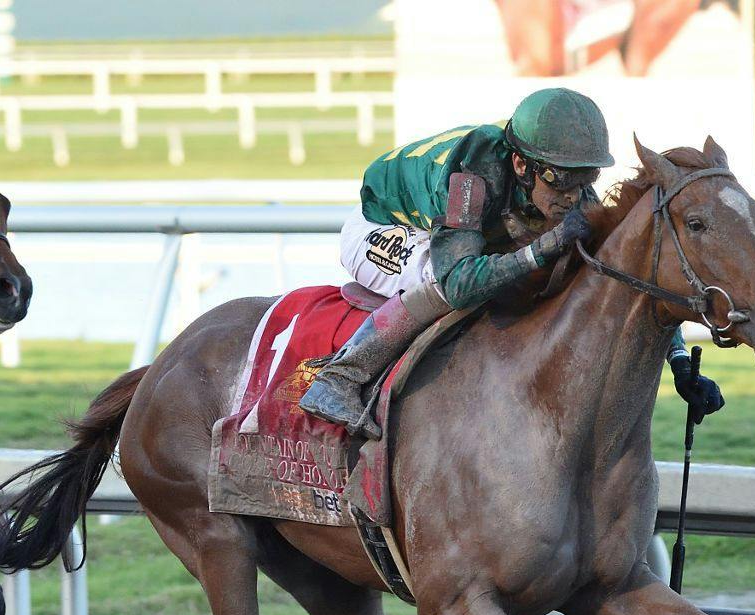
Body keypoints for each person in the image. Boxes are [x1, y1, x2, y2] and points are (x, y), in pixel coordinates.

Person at [299, 87, 723, 439]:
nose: (573, 195)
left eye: (586, 178)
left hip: (465, 227)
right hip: (386, 227)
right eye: (560, 179)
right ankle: (340, 377)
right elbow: (458, 282)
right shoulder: (471, 176)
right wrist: (538, 251)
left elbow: (621, 278)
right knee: (442, 280)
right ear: (522, 164)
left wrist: (680, 363)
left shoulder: (563, 184)